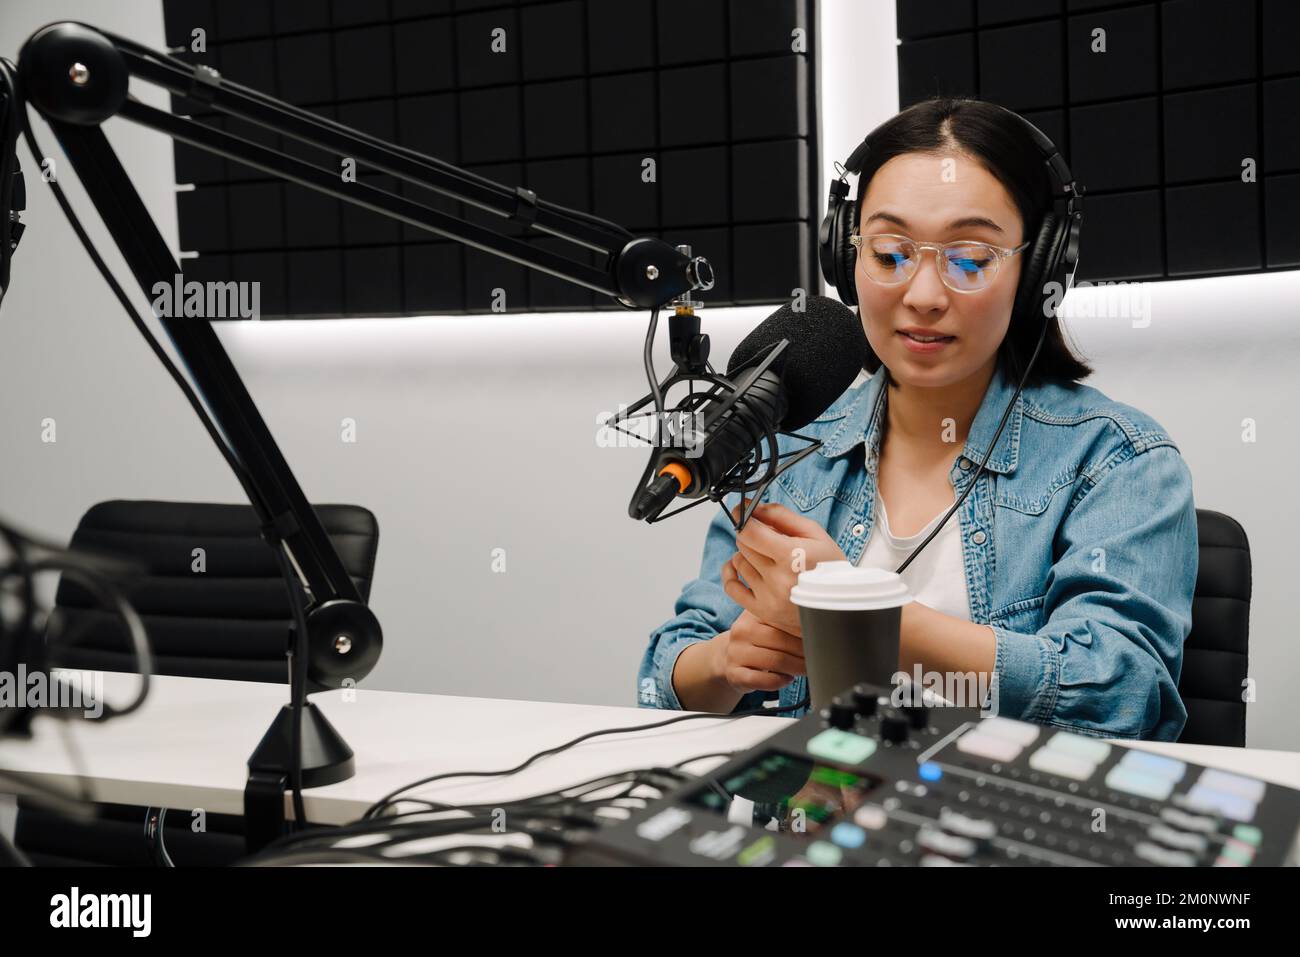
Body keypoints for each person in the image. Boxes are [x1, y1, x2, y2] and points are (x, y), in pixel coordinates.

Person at [636, 96, 1198, 741]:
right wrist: (725, 665)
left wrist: (849, 610)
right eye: (889, 252)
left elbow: (1121, 693)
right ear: (846, 261)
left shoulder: (1118, 461)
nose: (924, 296)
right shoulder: (791, 447)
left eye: (970, 258)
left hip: (996, 828)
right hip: (805, 823)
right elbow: (664, 676)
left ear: (1041, 265)